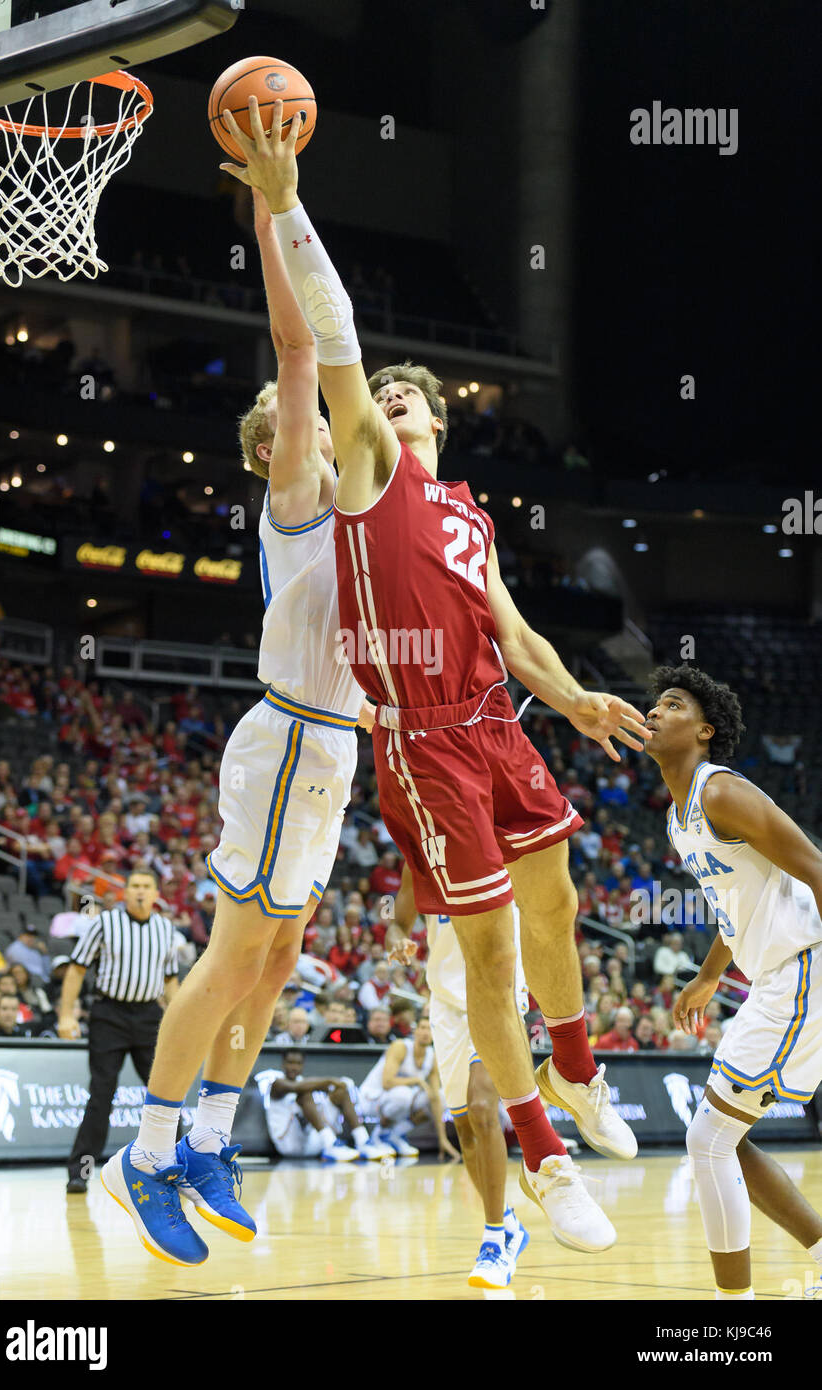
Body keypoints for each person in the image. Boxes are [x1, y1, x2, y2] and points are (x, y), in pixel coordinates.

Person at [222, 100, 648, 1253]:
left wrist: (570, 698)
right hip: (418, 742)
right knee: (492, 949)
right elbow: (334, 332)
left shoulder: (466, 512)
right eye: (385, 393)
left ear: (442, 420)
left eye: (410, 395)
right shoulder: (365, 469)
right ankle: (545, 1167)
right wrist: (283, 201)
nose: (390, 400)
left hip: (497, 722)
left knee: (559, 904)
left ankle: (577, 1071)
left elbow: (512, 633)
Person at [102, 184, 370, 1268]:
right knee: (228, 958)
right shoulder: (297, 488)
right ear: (275, 449)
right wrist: (274, 209)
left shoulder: (364, 509)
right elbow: (298, 346)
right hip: (288, 737)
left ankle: (210, 1141)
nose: (310, 428)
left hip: (334, 744)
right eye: (293, 425)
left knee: (275, 963)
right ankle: (145, 1152)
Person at [646, 663, 822, 1301]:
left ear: (704, 730)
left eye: (671, 704)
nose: (655, 712)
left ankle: (734, 1314)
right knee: (728, 1138)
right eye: (655, 703)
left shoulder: (720, 792)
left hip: (804, 965)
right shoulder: (678, 816)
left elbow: (814, 868)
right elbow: (735, 907)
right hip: (776, 975)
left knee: (709, 1139)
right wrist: (708, 975)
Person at [391, 862, 529, 1288]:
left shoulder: (506, 841)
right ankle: (507, 1222)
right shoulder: (422, 849)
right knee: (465, 1129)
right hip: (447, 1003)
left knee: (486, 1108)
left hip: (500, 991)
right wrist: (398, 940)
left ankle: (493, 1243)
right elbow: (398, 920)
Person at [58, 869, 179, 1195]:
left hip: (149, 1016)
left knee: (165, 1093)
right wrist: (66, 1014)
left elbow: (170, 982)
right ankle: (80, 1170)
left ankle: (184, 1164)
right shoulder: (103, 923)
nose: (140, 892)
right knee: (101, 1094)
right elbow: (77, 969)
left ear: (156, 894)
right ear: (125, 892)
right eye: (134, 886)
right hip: (109, 1014)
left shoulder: (166, 929)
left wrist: (179, 1022)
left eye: (146, 887)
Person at [254, 1050, 392, 1161]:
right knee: (304, 1094)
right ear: (283, 1064)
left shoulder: (305, 1081)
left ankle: (362, 1142)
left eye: (298, 1063)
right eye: (290, 1063)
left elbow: (319, 1086)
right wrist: (332, 1081)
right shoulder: (277, 1083)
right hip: (288, 1145)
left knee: (341, 1092)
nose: (294, 1067)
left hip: (312, 1143)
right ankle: (331, 1144)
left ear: (302, 1065)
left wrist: (337, 1085)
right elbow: (297, 1087)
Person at [357, 1009, 457, 1162]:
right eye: (422, 1028)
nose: (426, 1032)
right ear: (415, 1031)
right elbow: (387, 1082)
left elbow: (435, 1097)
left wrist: (442, 1139)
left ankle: (394, 1135)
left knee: (441, 1098)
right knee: (403, 1095)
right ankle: (377, 1137)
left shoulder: (432, 1056)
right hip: (371, 1097)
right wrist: (416, 1081)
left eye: (430, 1029)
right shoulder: (400, 1046)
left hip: (399, 1100)